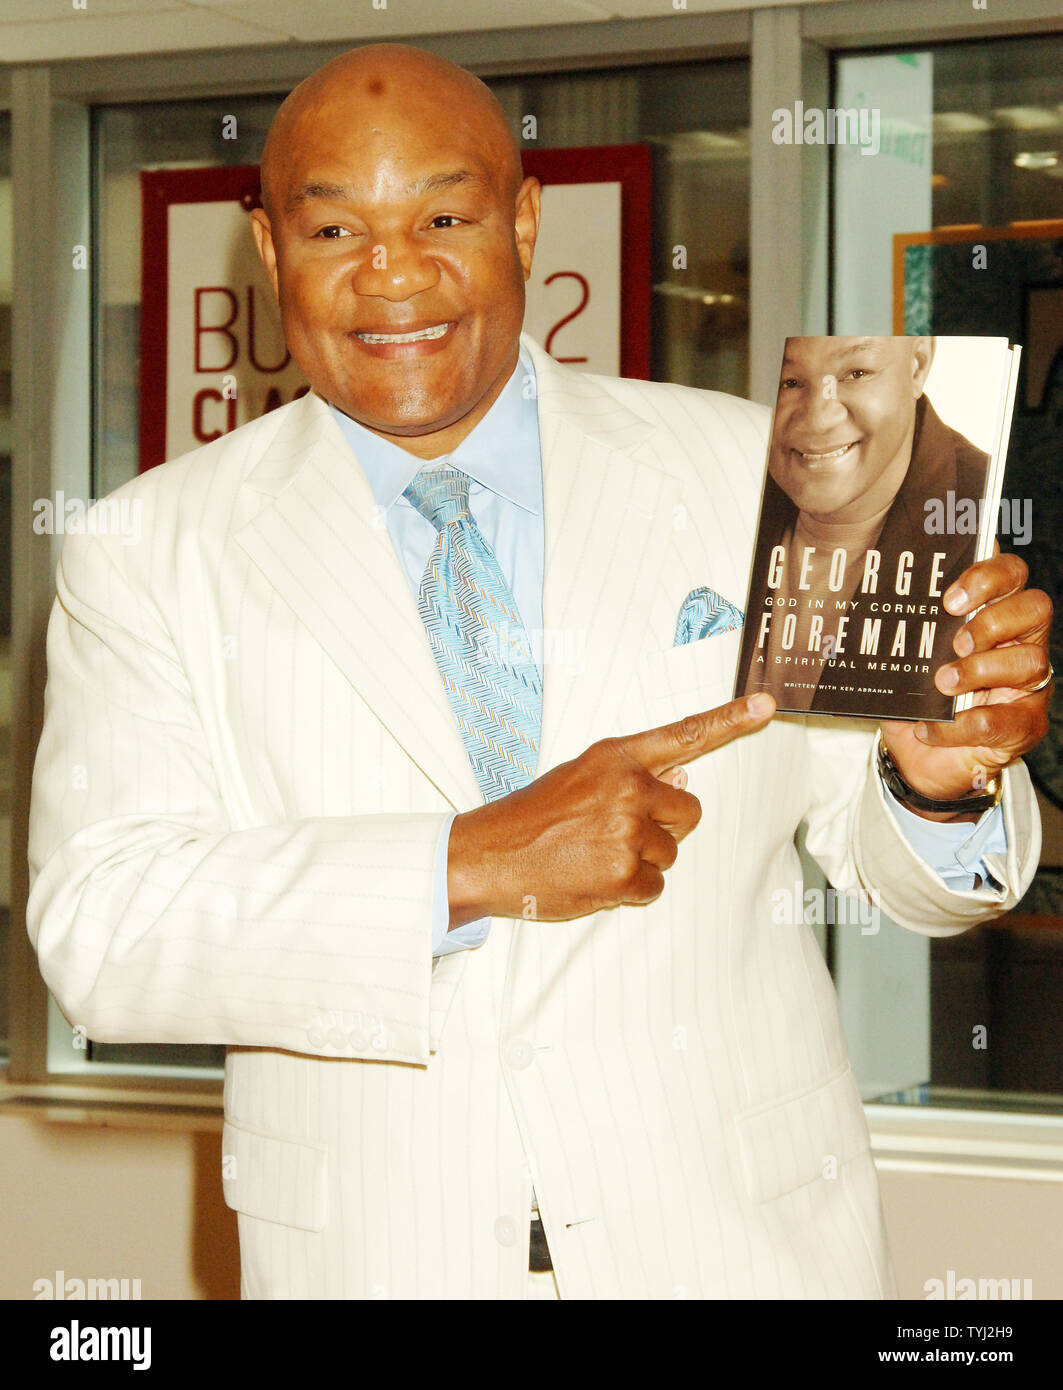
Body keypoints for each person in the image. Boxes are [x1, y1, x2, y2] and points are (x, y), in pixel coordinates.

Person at [27, 44, 1053, 1300]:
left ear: (522, 222)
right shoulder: (148, 549)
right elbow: (106, 930)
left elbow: (887, 867)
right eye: (336, 226)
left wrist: (932, 785)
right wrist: (469, 864)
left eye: (444, 216)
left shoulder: (762, 478)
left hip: (742, 1256)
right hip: (373, 1263)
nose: (391, 274)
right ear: (266, 248)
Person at [736, 336, 991, 716]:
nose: (819, 418)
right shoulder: (728, 478)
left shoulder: (996, 509)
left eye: (856, 373)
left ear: (917, 366)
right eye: (789, 381)